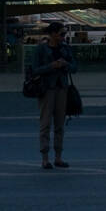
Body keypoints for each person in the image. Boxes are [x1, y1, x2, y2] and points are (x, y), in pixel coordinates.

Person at [30, 21, 77, 169]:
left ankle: (58, 157)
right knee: (45, 124)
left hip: (62, 88)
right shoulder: (41, 50)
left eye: (64, 34)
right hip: (47, 89)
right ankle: (45, 158)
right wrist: (52, 66)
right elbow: (35, 70)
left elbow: (75, 68)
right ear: (52, 34)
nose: (63, 36)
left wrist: (65, 65)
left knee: (59, 125)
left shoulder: (66, 49)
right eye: (61, 34)